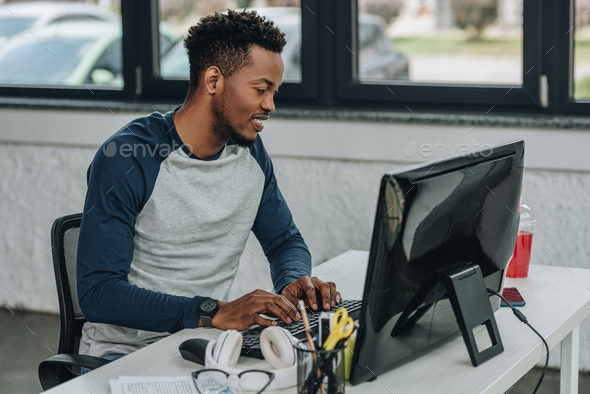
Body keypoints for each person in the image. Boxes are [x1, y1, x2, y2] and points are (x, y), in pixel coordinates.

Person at [76, 9, 341, 360]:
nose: (270, 105)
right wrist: (213, 311)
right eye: (261, 90)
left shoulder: (249, 152)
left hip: (204, 345)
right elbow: (98, 293)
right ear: (213, 81)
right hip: (122, 356)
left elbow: (284, 240)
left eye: (274, 91)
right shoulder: (128, 157)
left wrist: (292, 282)